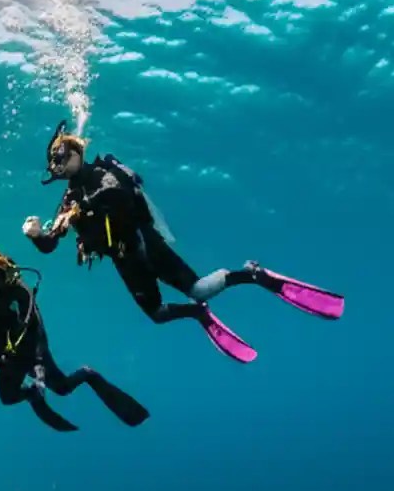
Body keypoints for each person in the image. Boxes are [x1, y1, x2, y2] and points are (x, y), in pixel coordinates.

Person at [22, 120, 345, 363]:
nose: (57, 164)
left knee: (200, 289)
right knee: (159, 314)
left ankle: (253, 275)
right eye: (52, 161)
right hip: (125, 261)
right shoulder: (68, 199)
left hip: (144, 243)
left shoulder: (99, 173)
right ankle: (197, 314)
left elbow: (117, 193)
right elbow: (52, 244)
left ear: (77, 151)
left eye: (61, 155)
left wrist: (85, 206)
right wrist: (38, 236)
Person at [0, 248, 148, 432]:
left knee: (61, 389)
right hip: (5, 359)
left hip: (31, 352)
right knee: (7, 399)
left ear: (0, 277)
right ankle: (32, 393)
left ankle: (88, 374)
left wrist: (39, 373)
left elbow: (37, 335)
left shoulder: (20, 297)